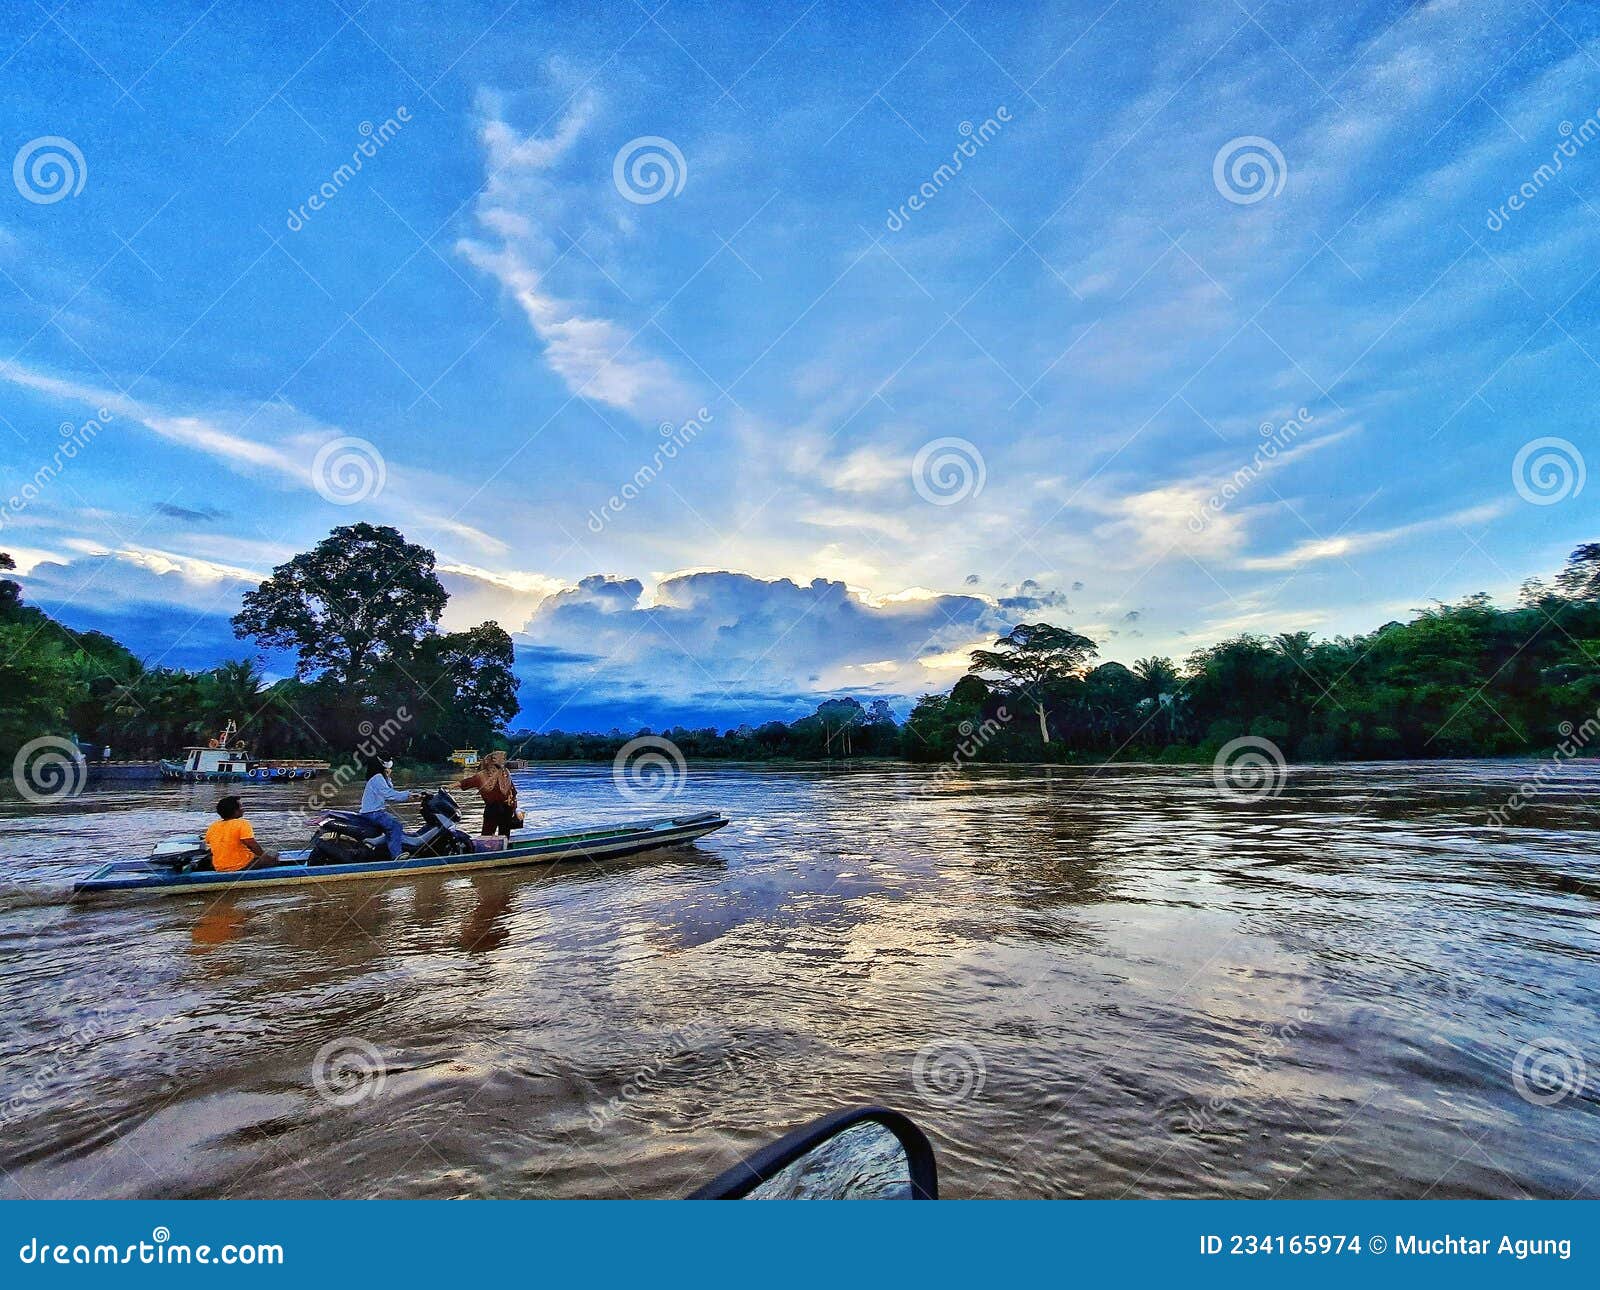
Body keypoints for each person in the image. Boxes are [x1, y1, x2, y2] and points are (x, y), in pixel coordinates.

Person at [359, 757, 414, 860]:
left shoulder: (378, 777)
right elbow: (389, 794)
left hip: (373, 812)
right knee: (396, 826)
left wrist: (388, 777)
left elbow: (389, 790)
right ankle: (397, 855)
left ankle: (374, 842)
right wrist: (407, 794)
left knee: (392, 825)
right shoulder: (377, 778)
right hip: (373, 813)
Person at [205, 796, 277, 872]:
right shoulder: (242, 823)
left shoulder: (213, 826)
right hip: (242, 865)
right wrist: (264, 857)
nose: (243, 809)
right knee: (274, 854)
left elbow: (211, 845)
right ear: (235, 811)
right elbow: (251, 844)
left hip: (219, 867)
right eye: (241, 807)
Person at [459, 750, 520, 837]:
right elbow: (468, 782)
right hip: (493, 808)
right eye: (502, 758)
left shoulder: (506, 772)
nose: (504, 760)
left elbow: (513, 792)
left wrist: (515, 809)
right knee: (488, 834)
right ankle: (489, 848)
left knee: (504, 834)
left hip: (506, 808)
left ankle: (502, 848)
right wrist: (453, 785)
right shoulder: (482, 775)